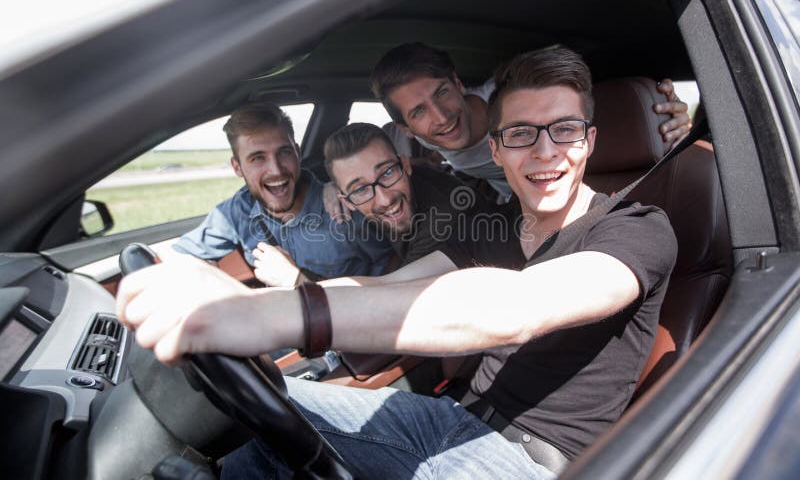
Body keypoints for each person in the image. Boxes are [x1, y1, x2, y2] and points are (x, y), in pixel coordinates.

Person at [117, 46, 677, 478]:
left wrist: (283, 313)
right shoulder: (498, 226)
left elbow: (515, 306)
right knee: (263, 417)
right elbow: (389, 282)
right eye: (522, 135)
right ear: (498, 148)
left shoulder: (637, 229)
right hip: (458, 422)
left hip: (528, 463)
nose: (547, 151)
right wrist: (264, 298)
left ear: (589, 140)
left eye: (565, 130)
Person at [369, 42, 692, 202]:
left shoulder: (516, 100)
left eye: (441, 92)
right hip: (513, 202)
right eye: (419, 112)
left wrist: (664, 118)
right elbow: (363, 159)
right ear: (407, 129)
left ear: (457, 82)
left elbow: (597, 108)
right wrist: (326, 188)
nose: (441, 117)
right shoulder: (420, 138)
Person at [172, 102, 393, 286]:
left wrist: (295, 280)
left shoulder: (346, 209)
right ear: (237, 167)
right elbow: (181, 255)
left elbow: (390, 280)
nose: (276, 170)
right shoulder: (240, 208)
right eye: (258, 158)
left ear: (297, 152)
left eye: (284, 152)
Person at [324, 122, 519, 270]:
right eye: (360, 190)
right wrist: (328, 187)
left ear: (406, 165)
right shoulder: (400, 185)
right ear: (347, 202)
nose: (385, 199)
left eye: (387, 173)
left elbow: (397, 293)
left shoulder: (444, 220)